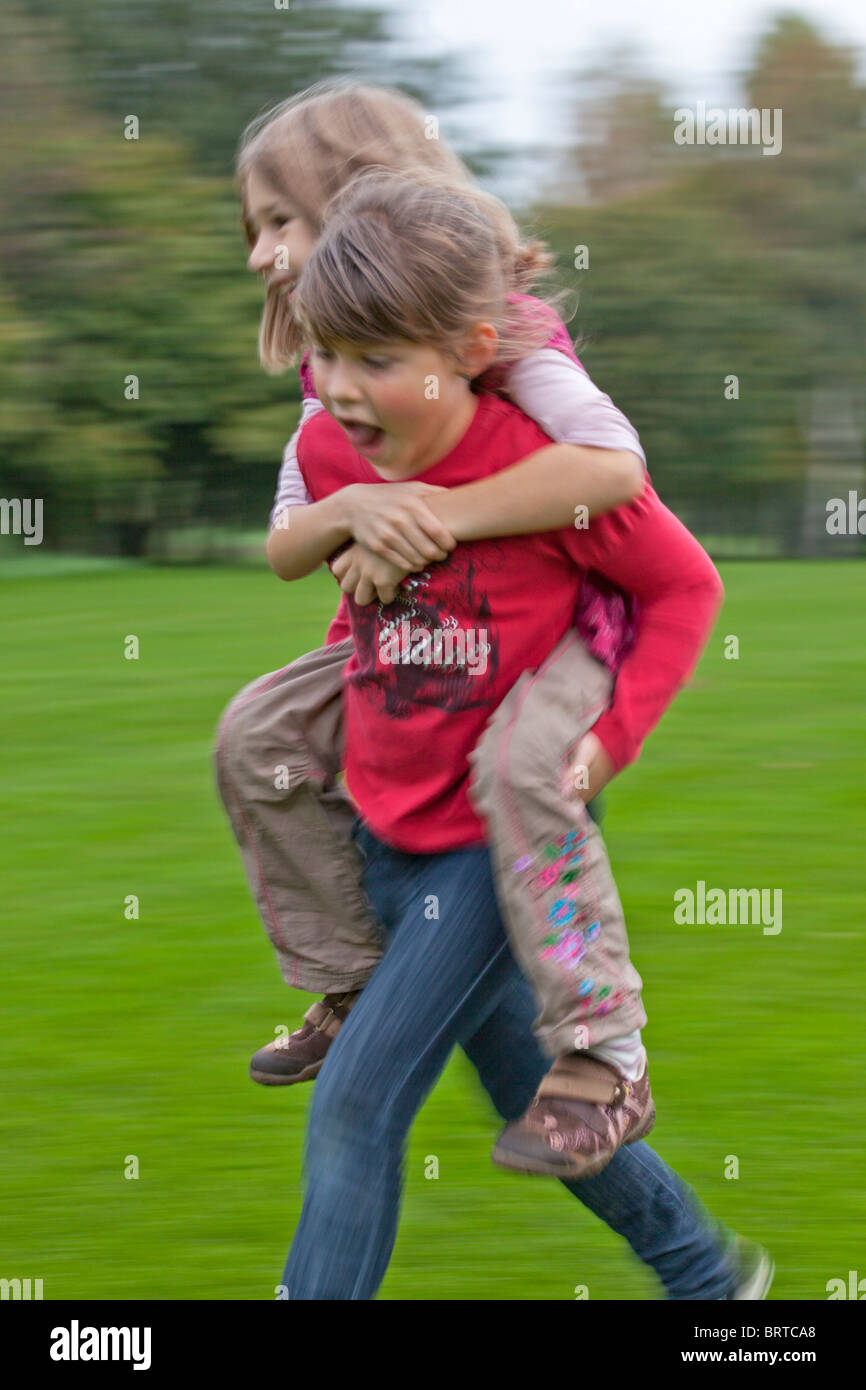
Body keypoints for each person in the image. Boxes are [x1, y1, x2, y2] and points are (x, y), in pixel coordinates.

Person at [265, 169, 772, 1298]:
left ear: (468, 346)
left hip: (491, 850)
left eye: (376, 363)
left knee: (356, 1102)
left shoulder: (550, 471)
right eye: (327, 360)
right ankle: (708, 1281)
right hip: (379, 831)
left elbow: (684, 586)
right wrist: (348, 517)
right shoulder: (343, 454)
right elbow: (320, 564)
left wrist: (610, 739)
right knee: (527, 1094)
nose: (340, 392)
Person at [217, 82, 653, 1157]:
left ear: (360, 201)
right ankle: (347, 981)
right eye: (253, 229)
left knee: (364, 1110)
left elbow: (613, 471)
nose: (257, 254)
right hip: (414, 658)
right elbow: (289, 540)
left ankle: (612, 1049)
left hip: (549, 650)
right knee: (253, 735)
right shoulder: (334, 366)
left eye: (277, 220)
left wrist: (431, 514)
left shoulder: (513, 341)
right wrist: (356, 512)